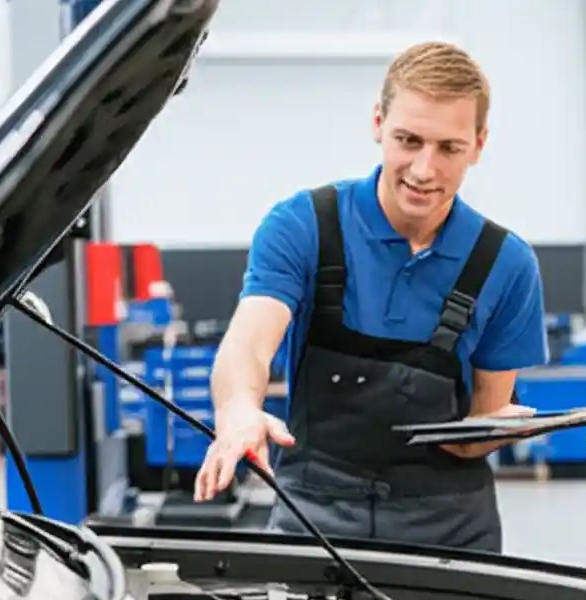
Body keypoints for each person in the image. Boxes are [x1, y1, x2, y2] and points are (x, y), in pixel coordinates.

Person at [193, 41, 549, 554]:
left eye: (449, 148)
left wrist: (497, 430)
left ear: (478, 144)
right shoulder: (304, 225)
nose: (424, 170)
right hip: (314, 522)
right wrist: (238, 409)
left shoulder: (505, 263)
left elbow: (474, 431)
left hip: (450, 534)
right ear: (378, 123)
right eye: (408, 140)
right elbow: (250, 341)